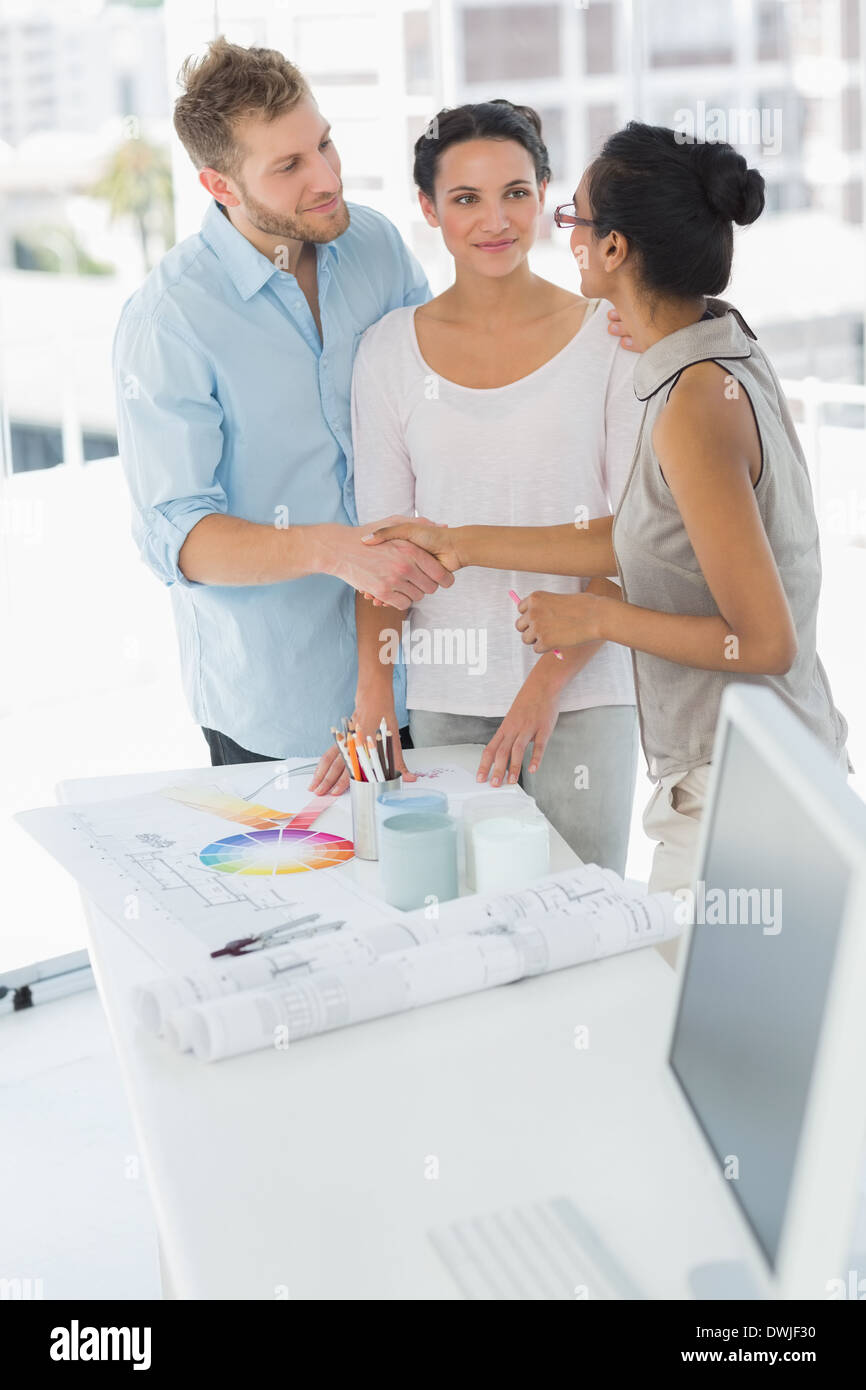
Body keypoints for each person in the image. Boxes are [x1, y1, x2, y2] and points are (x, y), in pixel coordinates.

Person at [364, 122, 850, 894]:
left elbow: (763, 643)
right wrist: (457, 542)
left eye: (573, 219)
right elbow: (635, 540)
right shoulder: (718, 345)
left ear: (616, 249)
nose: (562, 237)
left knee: (665, 1001)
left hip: (751, 787)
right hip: (750, 773)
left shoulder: (691, 402)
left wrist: (595, 620)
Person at [310, 101, 643, 873]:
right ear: (428, 208)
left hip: (588, 694)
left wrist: (547, 683)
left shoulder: (611, 336)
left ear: (546, 193)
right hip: (446, 693)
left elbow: (633, 539)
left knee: (586, 918)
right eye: (466, 199)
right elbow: (382, 546)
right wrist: (374, 692)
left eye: (517, 193)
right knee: (460, 922)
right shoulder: (387, 354)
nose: (496, 220)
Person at [113, 36, 452, 766]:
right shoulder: (171, 320)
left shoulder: (377, 248)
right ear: (221, 186)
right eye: (290, 166)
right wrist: (335, 550)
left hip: (424, 676)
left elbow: (437, 411)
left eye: (324, 144)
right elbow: (177, 535)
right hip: (275, 712)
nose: (328, 178)